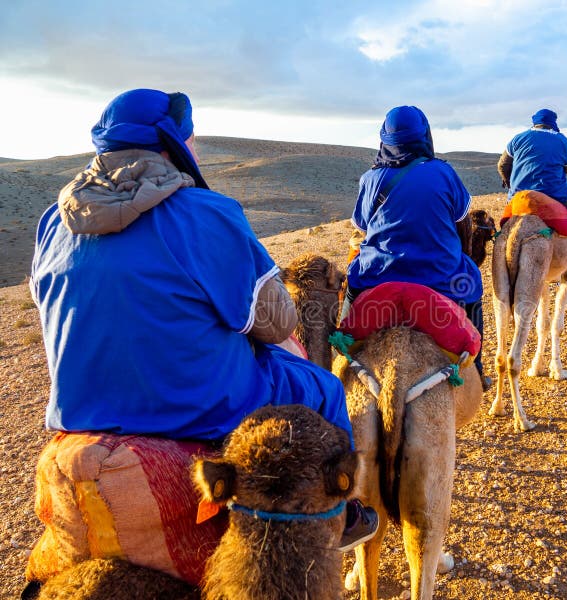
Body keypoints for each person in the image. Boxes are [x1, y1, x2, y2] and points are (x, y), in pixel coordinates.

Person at [28, 89, 377, 561]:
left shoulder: (53, 222)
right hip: (201, 405)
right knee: (325, 387)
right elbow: (275, 325)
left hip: (80, 408)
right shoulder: (205, 214)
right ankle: (347, 511)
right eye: (192, 139)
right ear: (175, 142)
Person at [342, 105, 491, 391]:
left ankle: (343, 347)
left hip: (379, 274)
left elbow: (361, 227)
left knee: (352, 285)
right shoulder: (444, 173)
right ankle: (477, 365)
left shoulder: (371, 179)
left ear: (385, 139)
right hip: (439, 276)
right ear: (425, 136)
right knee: (471, 282)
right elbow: (460, 218)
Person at [497, 108, 567, 262]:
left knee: (508, 218)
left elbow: (502, 165)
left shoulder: (518, 138)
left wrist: (511, 185)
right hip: (555, 192)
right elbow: (566, 167)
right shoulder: (562, 140)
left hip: (519, 193)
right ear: (553, 123)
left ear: (535, 122)